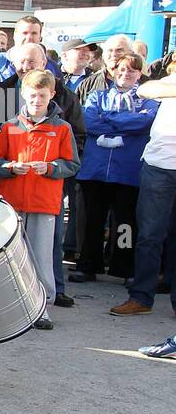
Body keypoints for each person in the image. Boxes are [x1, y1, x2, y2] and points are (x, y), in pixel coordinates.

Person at [0, 68, 80, 330]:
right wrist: (8, 167)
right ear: (23, 95)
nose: (37, 100)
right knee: (10, 257)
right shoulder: (9, 127)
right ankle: (9, 308)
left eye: (42, 95)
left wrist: (51, 168)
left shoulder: (62, 129)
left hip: (44, 203)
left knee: (41, 258)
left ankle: (41, 308)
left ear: (51, 94)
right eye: (32, 95)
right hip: (12, 203)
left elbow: (72, 164)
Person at [73, 52, 158, 287]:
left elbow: (145, 122)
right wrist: (124, 122)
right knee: (93, 220)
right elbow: (88, 122)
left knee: (124, 223)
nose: (125, 74)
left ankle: (122, 266)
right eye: (121, 69)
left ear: (139, 74)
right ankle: (88, 265)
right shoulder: (96, 96)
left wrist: (110, 118)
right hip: (95, 170)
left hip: (127, 171)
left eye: (131, 70)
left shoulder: (148, 102)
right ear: (113, 71)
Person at [117, 72, 176, 318]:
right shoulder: (171, 80)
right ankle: (140, 297)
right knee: (149, 235)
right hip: (158, 166)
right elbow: (145, 89)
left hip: (160, 169)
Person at [0, 15, 61, 87]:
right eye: (25, 33)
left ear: (40, 37)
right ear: (15, 35)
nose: (29, 38)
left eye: (34, 33)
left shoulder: (52, 67)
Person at [76, 34, 134, 100]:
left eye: (119, 50)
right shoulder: (88, 85)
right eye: (110, 50)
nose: (113, 54)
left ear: (131, 53)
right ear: (104, 55)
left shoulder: (143, 83)